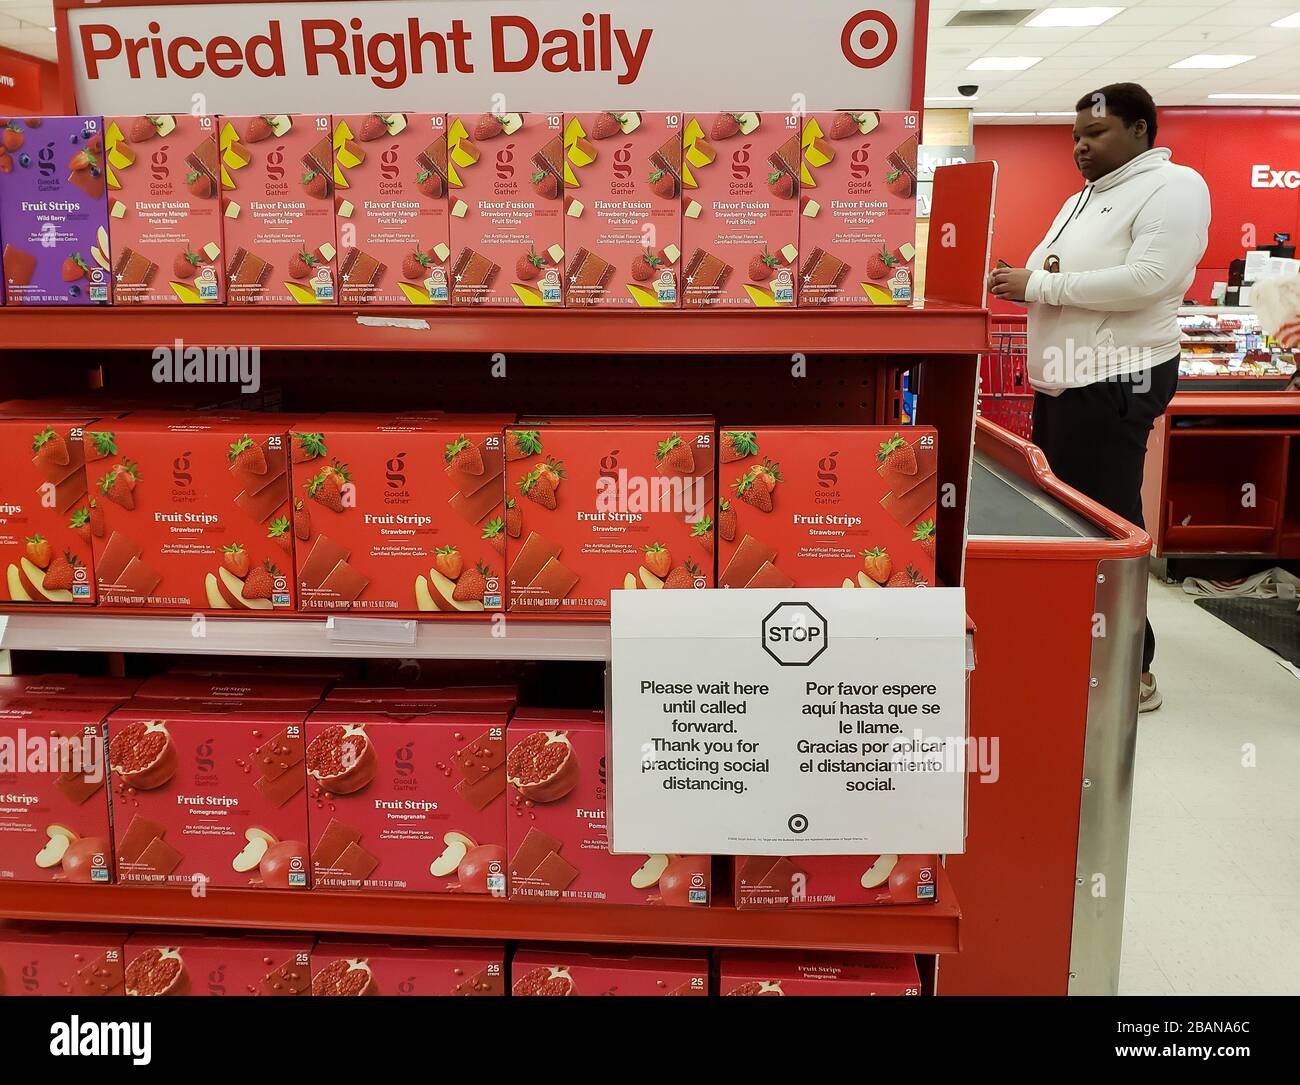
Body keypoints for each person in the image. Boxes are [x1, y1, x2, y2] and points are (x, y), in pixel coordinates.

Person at [989, 82, 1211, 713]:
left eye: (1096, 134)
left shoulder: (1175, 187)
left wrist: (1038, 284)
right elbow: (1059, 270)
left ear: (1141, 130)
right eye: (1076, 138)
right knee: (1067, 521)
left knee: (1107, 522)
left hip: (1116, 379)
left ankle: (1131, 669)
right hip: (1064, 381)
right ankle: (1077, 648)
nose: (1081, 148)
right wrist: (1028, 280)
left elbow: (1150, 279)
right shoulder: (1088, 196)